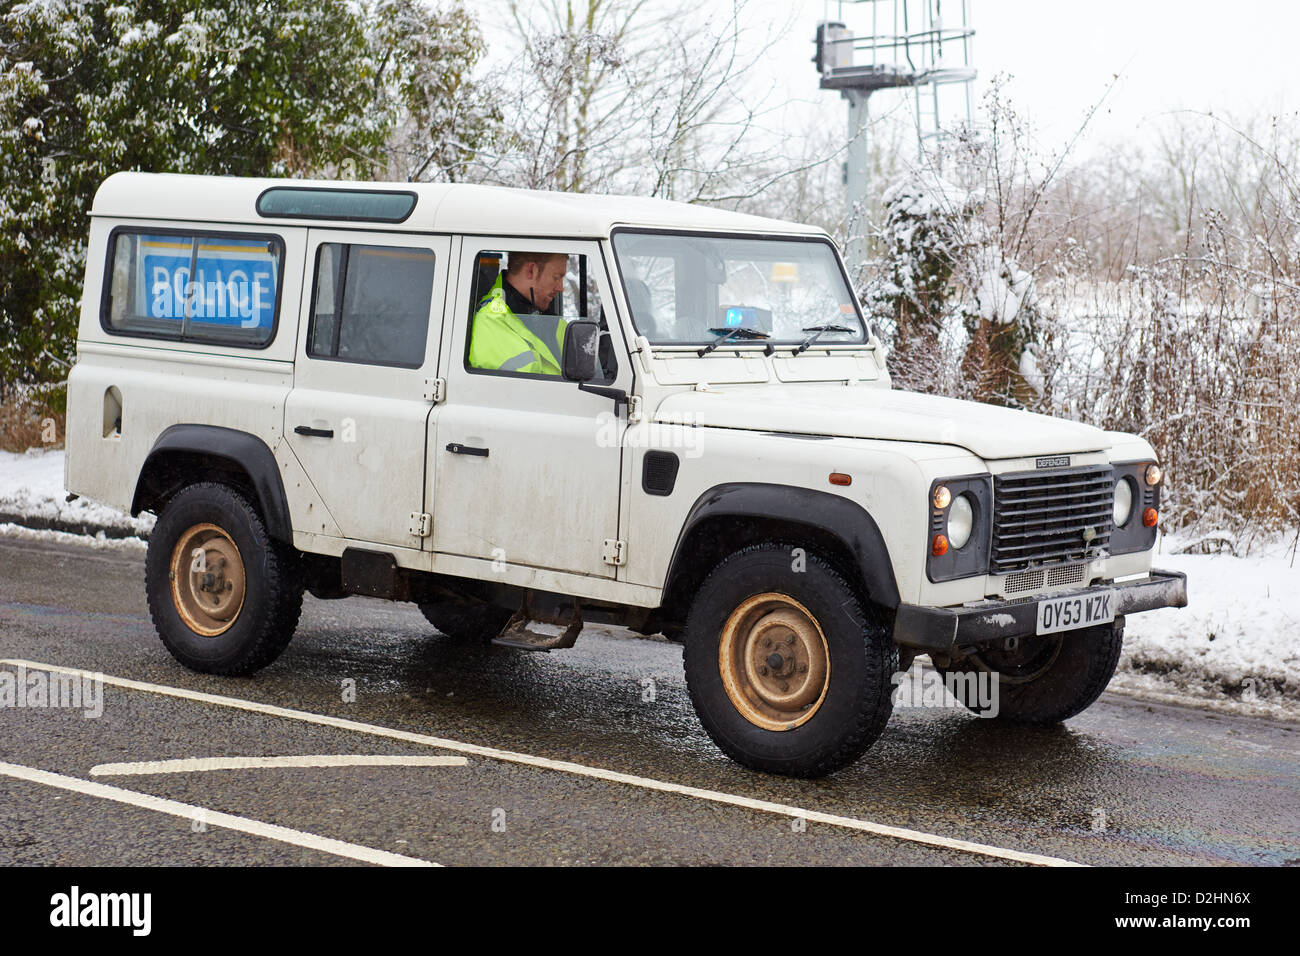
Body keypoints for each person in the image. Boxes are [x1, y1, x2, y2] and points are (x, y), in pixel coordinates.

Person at [468, 251, 568, 375]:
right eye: (556, 277)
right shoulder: (491, 320)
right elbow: (525, 388)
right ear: (531, 270)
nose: (560, 288)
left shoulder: (548, 319)